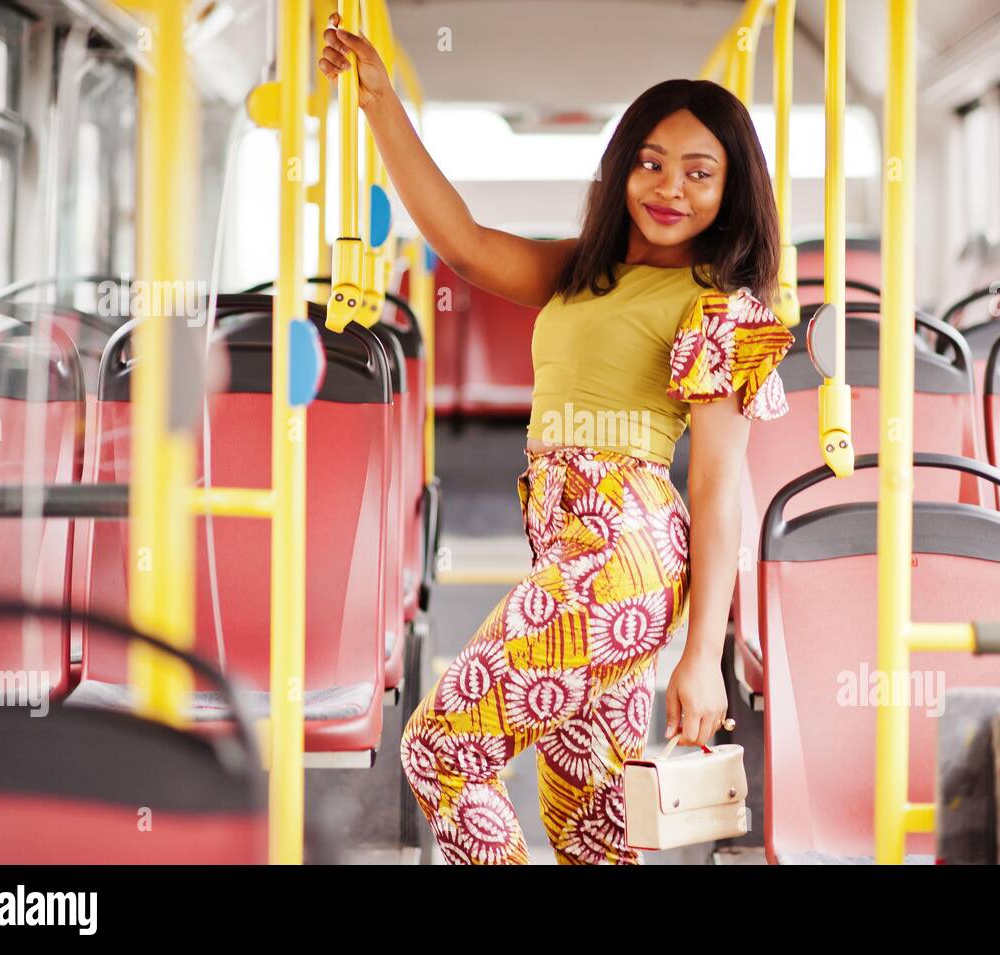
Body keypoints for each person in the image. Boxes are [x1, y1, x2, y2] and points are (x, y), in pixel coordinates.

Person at [319, 16, 793, 865]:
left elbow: (721, 485)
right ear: (622, 168)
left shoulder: (722, 306)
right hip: (565, 546)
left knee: (440, 750)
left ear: (731, 191)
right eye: (651, 161)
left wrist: (703, 657)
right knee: (588, 830)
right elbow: (462, 245)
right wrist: (381, 104)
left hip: (622, 553)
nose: (669, 188)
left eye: (699, 171)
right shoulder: (585, 273)